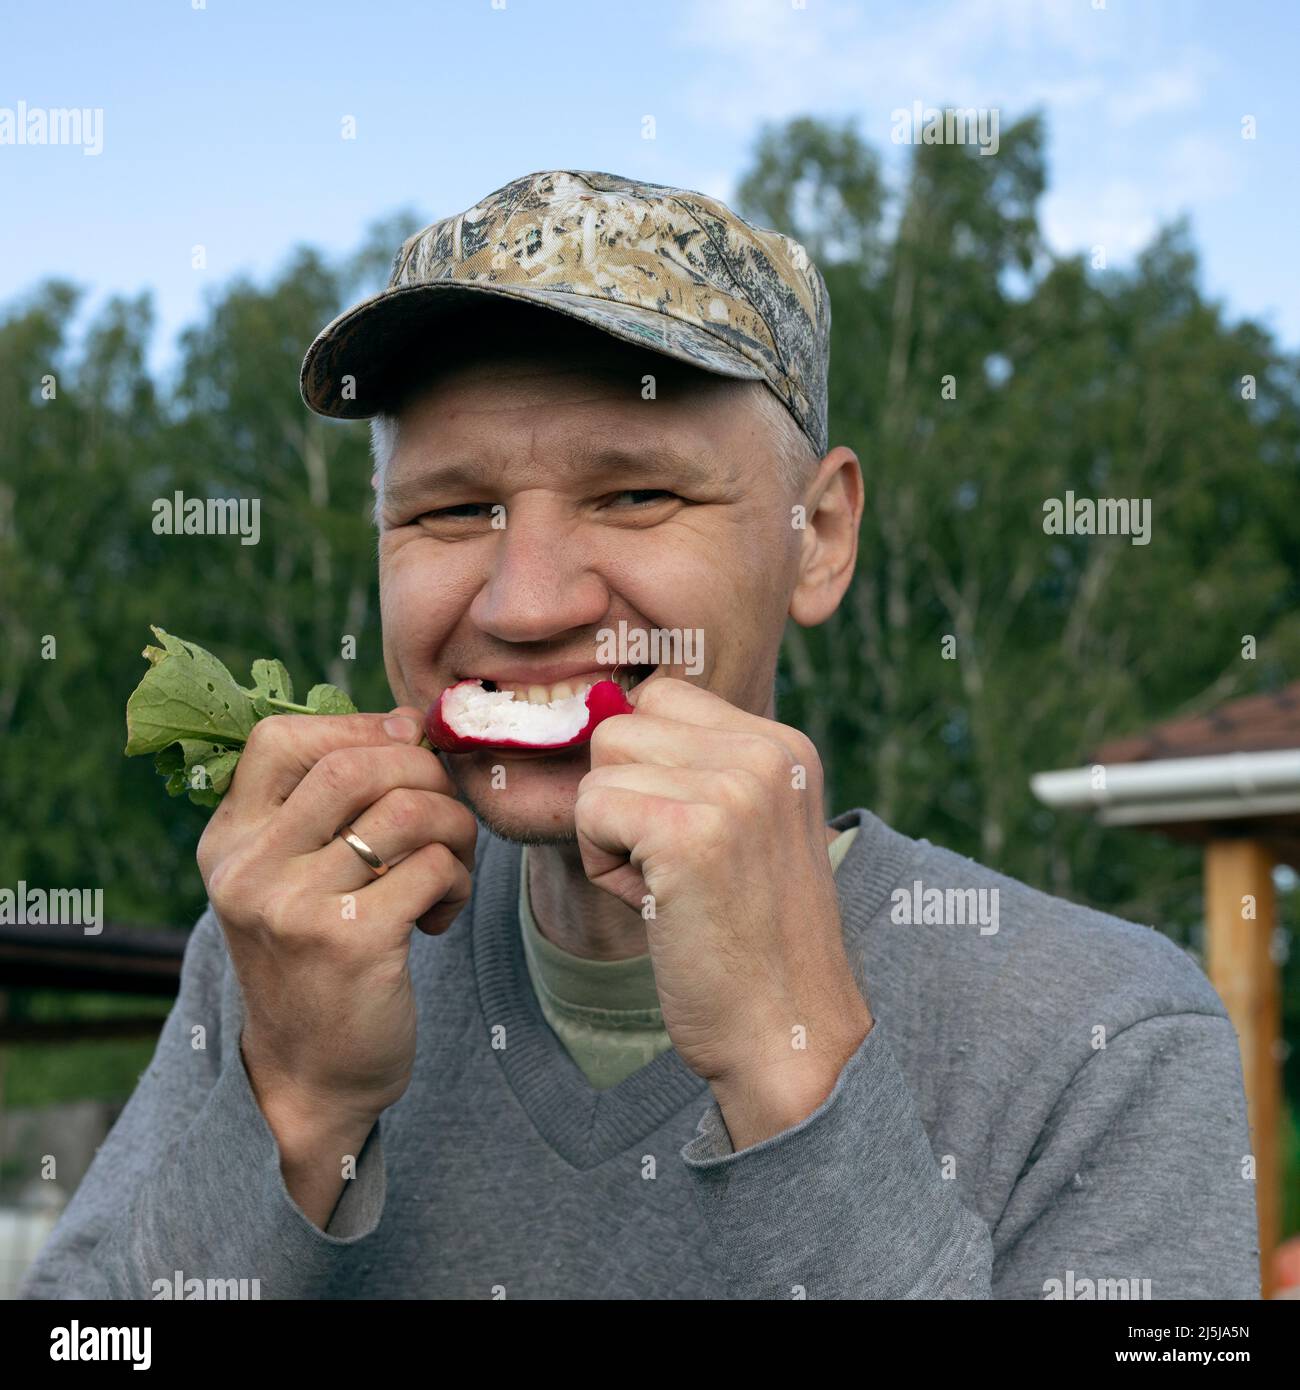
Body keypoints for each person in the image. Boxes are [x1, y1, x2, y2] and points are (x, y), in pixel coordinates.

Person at [21, 170, 1260, 1299]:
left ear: (817, 535)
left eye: (637, 494)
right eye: (453, 510)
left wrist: (798, 1082)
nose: (525, 601)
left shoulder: (1107, 1033)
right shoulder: (278, 955)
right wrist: (293, 1107)